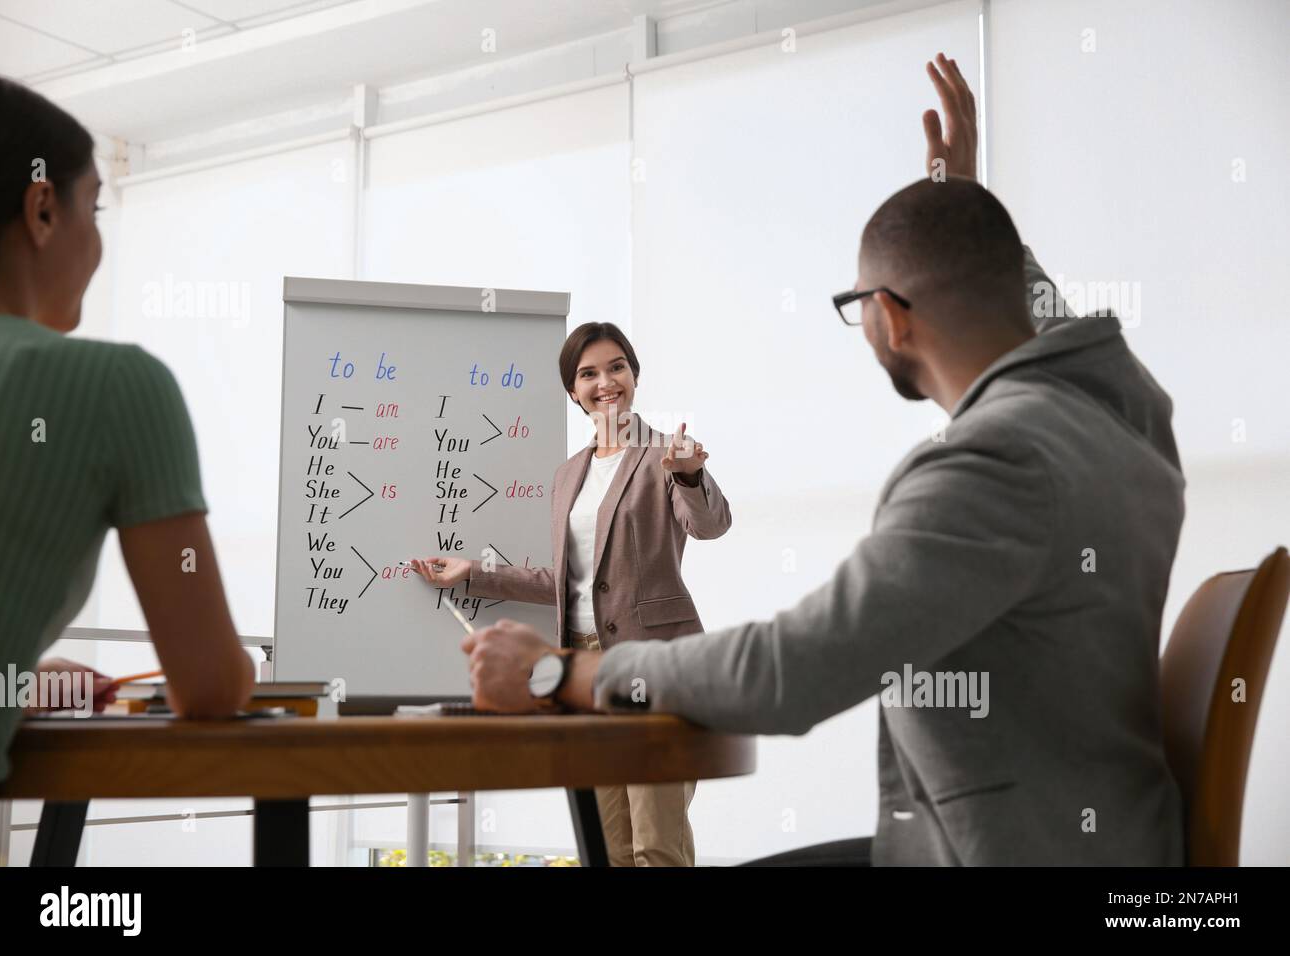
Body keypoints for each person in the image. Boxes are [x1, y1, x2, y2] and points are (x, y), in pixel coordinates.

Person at [453, 54, 1186, 865]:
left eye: (856, 306)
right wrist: (968, 216)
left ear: (890, 319)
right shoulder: (1123, 405)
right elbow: (1056, 333)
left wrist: (560, 677)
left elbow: (786, 671)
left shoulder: (987, 467)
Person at [0, 75, 254, 790]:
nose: (97, 237)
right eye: (94, 207)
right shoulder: (115, 385)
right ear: (41, 209)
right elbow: (208, 685)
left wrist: (11, 680)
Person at [411, 322, 731, 866]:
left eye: (616, 367)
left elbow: (710, 526)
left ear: (634, 374)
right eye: (588, 374)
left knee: (657, 839)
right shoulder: (568, 476)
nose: (605, 382)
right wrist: (473, 573)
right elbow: (565, 581)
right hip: (581, 674)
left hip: (652, 666)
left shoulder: (667, 454)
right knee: (606, 845)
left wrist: (691, 476)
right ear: (572, 390)